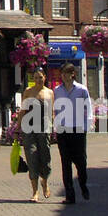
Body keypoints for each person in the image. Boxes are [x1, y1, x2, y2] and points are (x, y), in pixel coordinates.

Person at [53, 64, 92, 203]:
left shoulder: (81, 89)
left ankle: (83, 184)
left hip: (78, 129)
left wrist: (86, 126)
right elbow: (55, 109)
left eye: (66, 73)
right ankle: (70, 195)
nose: (63, 75)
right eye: (62, 73)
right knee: (65, 162)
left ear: (72, 74)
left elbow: (88, 108)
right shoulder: (57, 90)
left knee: (81, 162)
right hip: (63, 130)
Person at [16, 70, 53, 201]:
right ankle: (35, 192)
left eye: (40, 77)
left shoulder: (49, 92)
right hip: (29, 129)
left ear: (45, 78)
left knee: (45, 157)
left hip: (44, 129)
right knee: (32, 158)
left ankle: (45, 182)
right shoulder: (28, 91)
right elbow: (23, 110)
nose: (38, 80)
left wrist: (53, 128)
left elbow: (51, 112)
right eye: (36, 77)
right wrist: (18, 126)